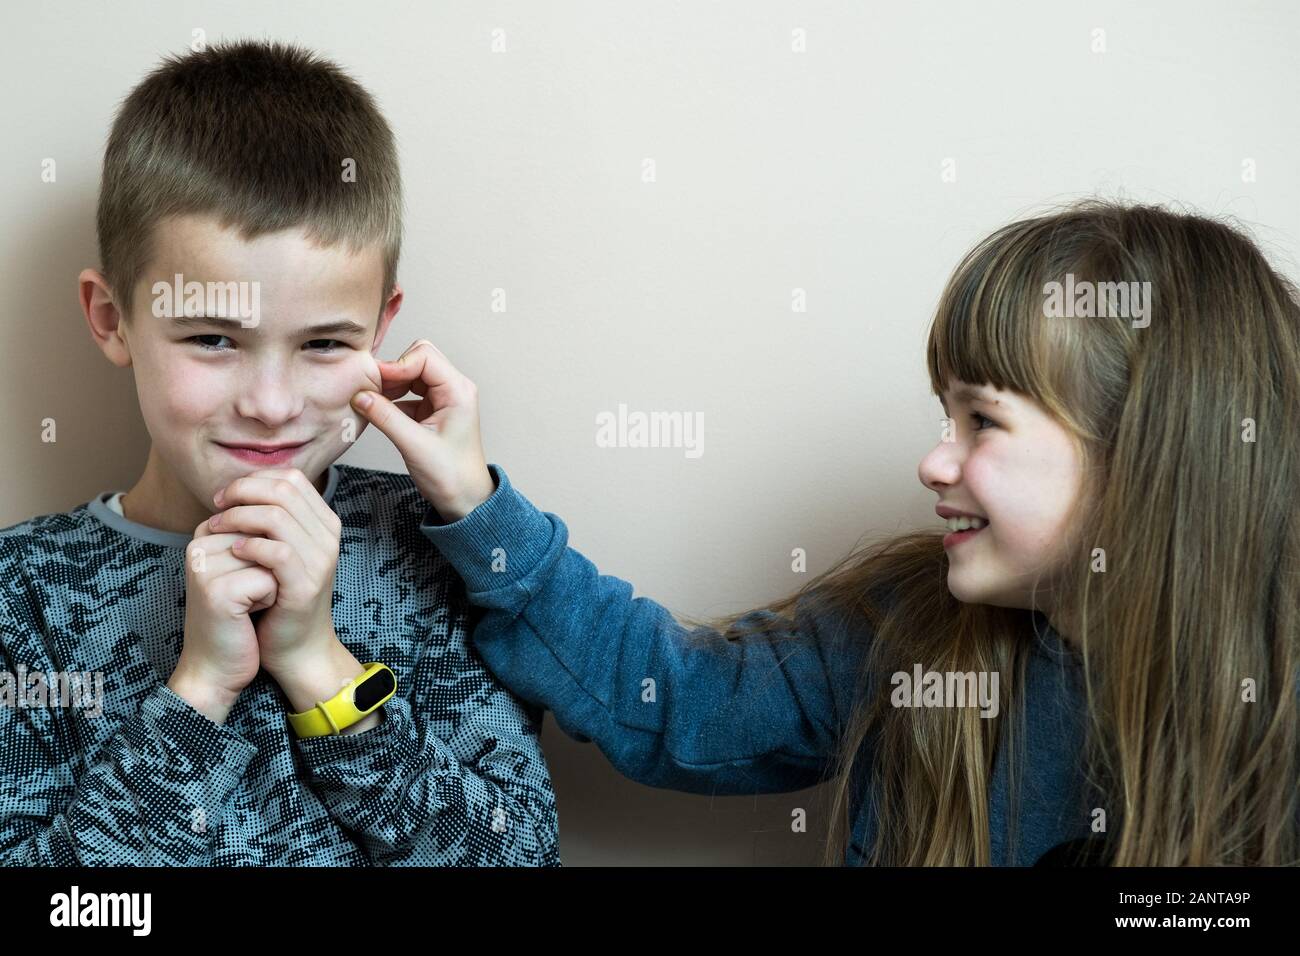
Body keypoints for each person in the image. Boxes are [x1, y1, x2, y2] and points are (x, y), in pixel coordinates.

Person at [355, 200, 1300, 865]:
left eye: (984, 422)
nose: (935, 463)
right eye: (945, 418)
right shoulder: (905, 630)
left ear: (1144, 458)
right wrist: (475, 502)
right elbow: (675, 701)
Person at [0, 40, 558, 866]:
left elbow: (520, 857)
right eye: (214, 338)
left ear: (380, 329)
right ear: (113, 318)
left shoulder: (439, 550)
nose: (270, 405)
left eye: (325, 343)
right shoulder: (24, 597)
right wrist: (197, 693)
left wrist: (316, 663)